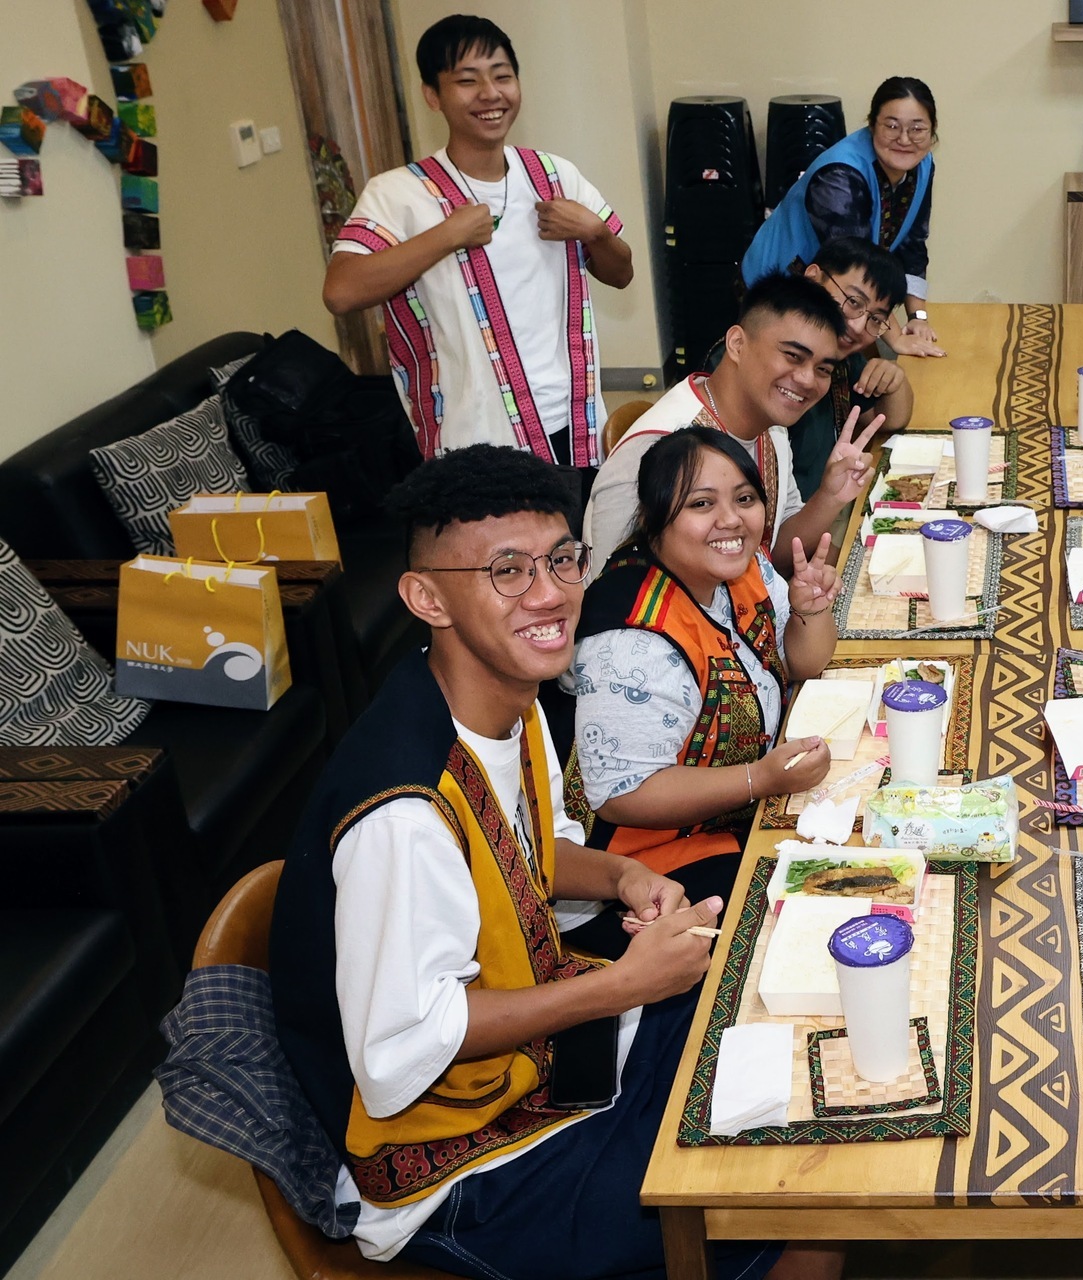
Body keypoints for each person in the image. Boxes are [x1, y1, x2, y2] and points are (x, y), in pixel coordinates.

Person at [268, 445, 837, 1280]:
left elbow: (519, 857)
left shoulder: (503, 704)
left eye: (562, 560)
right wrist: (621, 987)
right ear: (427, 596)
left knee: (779, 1034)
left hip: (545, 1067)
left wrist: (621, 877)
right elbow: (398, 1053)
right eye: (506, 571)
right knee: (794, 1187)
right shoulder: (403, 812)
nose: (551, 594)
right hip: (461, 1170)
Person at [323, 15, 632, 466]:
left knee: (577, 538)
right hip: (471, 437)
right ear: (433, 96)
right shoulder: (397, 193)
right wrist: (447, 235)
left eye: (503, 76)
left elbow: (621, 274)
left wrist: (595, 232)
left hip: (571, 419)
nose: (491, 93)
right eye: (467, 81)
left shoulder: (553, 174)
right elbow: (341, 291)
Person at [572, 428, 841, 906]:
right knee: (813, 897)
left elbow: (803, 661)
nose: (731, 520)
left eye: (744, 498)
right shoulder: (632, 636)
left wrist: (811, 609)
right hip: (644, 866)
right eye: (701, 504)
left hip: (746, 811)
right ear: (655, 518)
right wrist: (759, 779)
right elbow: (623, 794)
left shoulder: (742, 567)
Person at [584, 275, 883, 577]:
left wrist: (829, 496)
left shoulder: (773, 430)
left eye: (823, 369)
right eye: (793, 356)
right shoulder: (651, 453)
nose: (807, 380)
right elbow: (609, 591)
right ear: (737, 344)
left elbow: (772, 554)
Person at [741, 77, 945, 357]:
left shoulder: (921, 164)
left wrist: (918, 319)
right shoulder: (839, 176)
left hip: (844, 300)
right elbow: (857, 269)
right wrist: (897, 340)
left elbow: (913, 243)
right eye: (892, 126)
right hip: (777, 292)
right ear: (872, 124)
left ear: (932, 132)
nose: (904, 139)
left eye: (917, 129)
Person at [722, 237, 914, 500]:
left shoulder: (842, 360)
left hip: (809, 516)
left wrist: (895, 378)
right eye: (854, 302)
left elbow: (890, 419)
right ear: (813, 277)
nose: (857, 326)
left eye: (875, 319)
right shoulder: (751, 359)